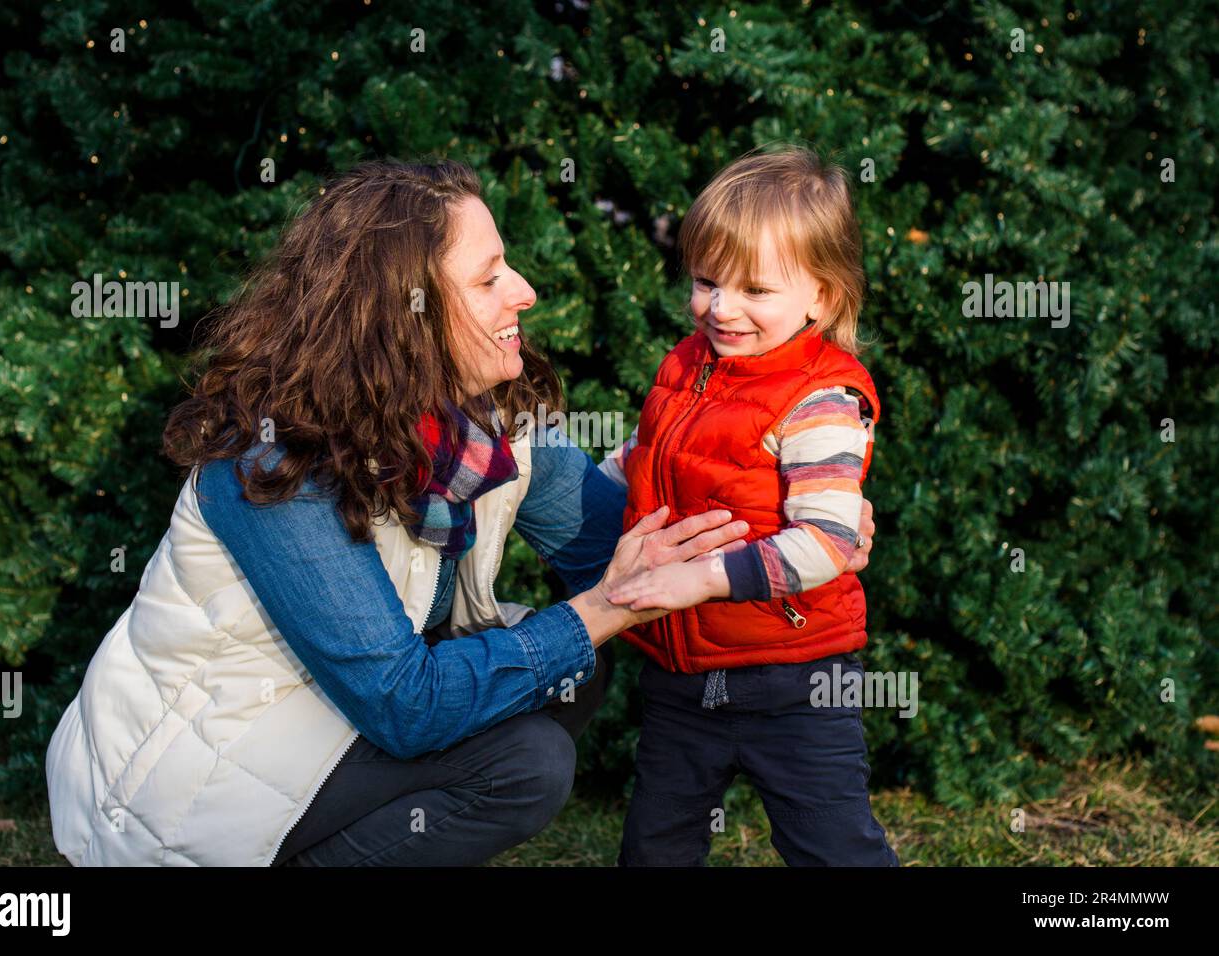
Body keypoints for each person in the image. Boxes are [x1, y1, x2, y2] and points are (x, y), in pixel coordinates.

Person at [44, 156, 877, 867]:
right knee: (527, 755)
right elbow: (407, 704)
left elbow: (618, 535)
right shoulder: (273, 462)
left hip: (333, 732)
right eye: (488, 279)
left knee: (561, 674)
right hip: (192, 793)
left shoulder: (486, 418)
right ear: (399, 313)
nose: (526, 289)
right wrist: (608, 605)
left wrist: (790, 530)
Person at [600, 145, 899, 866]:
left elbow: (827, 542)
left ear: (821, 297)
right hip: (683, 675)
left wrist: (703, 577)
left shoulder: (823, 399)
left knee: (832, 845)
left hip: (793, 677)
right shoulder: (686, 364)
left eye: (755, 290)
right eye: (706, 282)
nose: (721, 308)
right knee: (655, 846)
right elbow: (641, 462)